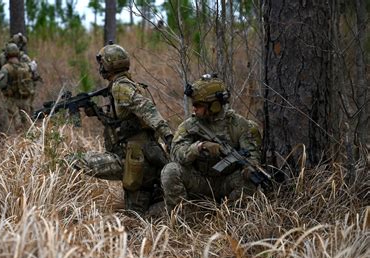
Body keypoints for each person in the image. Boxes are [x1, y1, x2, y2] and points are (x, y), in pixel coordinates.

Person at [68, 43, 173, 215]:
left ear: (108, 65)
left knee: (74, 160)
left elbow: (147, 109)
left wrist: (168, 135)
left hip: (136, 158)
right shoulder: (127, 84)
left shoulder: (120, 87)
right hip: (143, 155)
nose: (100, 68)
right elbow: (124, 123)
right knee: (140, 211)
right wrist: (97, 113)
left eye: (102, 63)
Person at [161, 74, 263, 211]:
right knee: (170, 171)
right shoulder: (189, 126)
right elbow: (176, 154)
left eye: (198, 105)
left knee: (251, 180)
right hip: (199, 181)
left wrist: (249, 168)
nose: (194, 108)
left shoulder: (240, 125)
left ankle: (230, 217)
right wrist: (199, 148)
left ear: (214, 106)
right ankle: (183, 221)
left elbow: (252, 155)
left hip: (227, 182)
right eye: (193, 104)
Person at [0, 43, 35, 133]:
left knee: (15, 123)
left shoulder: (6, 68)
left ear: (7, 54)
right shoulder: (25, 66)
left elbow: (1, 84)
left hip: (11, 100)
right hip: (25, 100)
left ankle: (17, 142)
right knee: (27, 122)